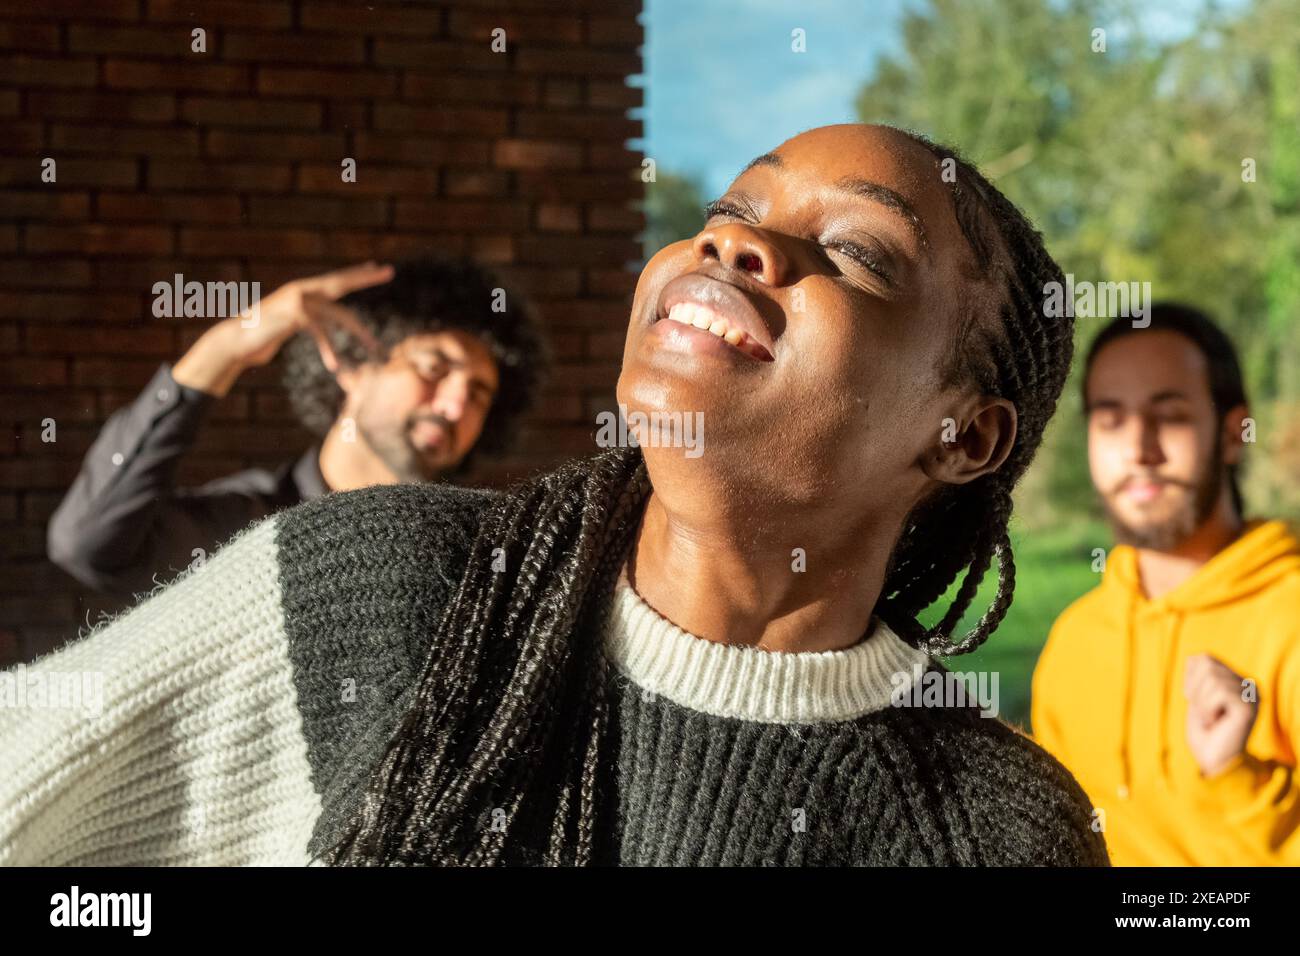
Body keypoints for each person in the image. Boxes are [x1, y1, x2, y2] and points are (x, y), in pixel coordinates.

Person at [0, 124, 1107, 867]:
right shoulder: (389, 588)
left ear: (965, 433)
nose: (734, 240)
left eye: (856, 250)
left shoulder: (999, 831)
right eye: (732, 207)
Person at [45, 255, 545, 601]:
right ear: (353, 363)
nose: (457, 404)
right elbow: (87, 544)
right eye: (435, 368)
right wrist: (222, 350)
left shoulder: (485, 550)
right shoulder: (241, 532)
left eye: (479, 393)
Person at [1031, 303, 1300, 865]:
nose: (1139, 450)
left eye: (1170, 415)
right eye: (1111, 418)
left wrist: (1233, 777)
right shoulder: (1073, 641)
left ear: (1232, 434)